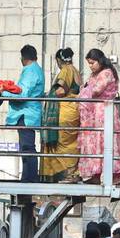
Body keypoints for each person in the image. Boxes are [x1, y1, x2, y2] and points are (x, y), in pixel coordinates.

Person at [77, 48, 120, 183]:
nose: (90, 66)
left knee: (106, 141)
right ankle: (95, 173)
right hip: (94, 112)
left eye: (92, 63)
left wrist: (85, 90)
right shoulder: (95, 74)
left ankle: (114, 175)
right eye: (89, 63)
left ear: (99, 61)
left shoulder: (106, 73)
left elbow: (96, 90)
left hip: (104, 110)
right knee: (95, 142)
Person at [41, 47, 81, 183]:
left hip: (64, 111)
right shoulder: (75, 70)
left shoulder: (65, 71)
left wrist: (48, 94)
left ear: (59, 60)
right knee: (71, 143)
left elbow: (60, 91)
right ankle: (72, 172)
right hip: (74, 110)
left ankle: (68, 174)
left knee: (62, 144)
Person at [6, 44, 45, 182]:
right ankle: (28, 176)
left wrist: (3, 92)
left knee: (27, 147)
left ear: (22, 58)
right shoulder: (37, 69)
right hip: (30, 113)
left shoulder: (30, 70)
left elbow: (22, 93)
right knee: (26, 147)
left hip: (26, 114)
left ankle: (29, 178)